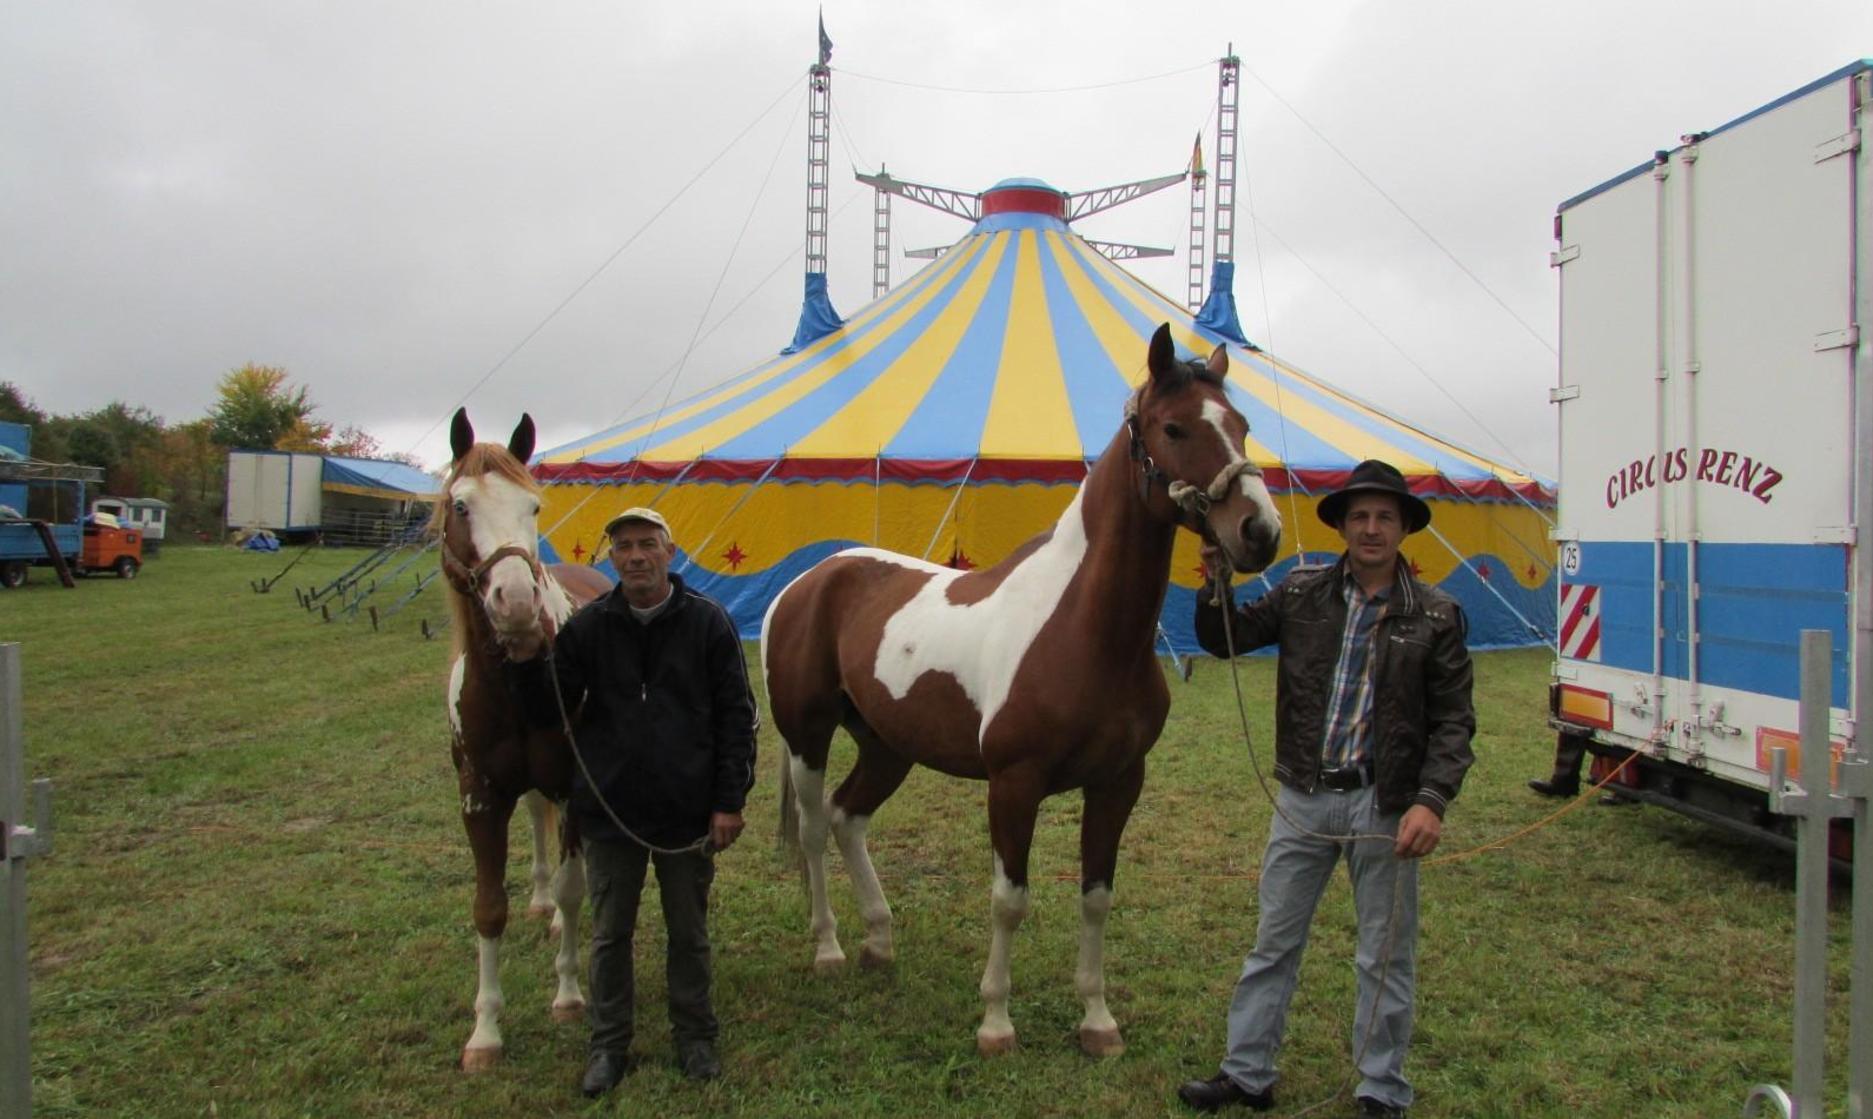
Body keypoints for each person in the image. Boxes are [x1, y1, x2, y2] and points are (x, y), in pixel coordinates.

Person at [1177, 460, 1476, 1119]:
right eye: (1359, 516)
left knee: (1384, 956)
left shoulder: (1435, 613)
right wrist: (1214, 581)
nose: (1371, 528)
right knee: (1272, 942)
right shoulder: (1301, 592)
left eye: (1384, 517)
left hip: (1385, 804)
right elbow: (1223, 639)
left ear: (1402, 528)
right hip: (1304, 800)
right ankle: (1247, 1073)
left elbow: (1454, 720)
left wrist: (1430, 799)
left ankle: (1380, 1090)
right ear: (1341, 525)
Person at [524, 506, 757, 1097]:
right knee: (609, 935)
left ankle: (695, 1036)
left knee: (689, 931)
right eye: (623, 546)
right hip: (611, 810)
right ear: (612, 559)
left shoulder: (709, 623)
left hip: (688, 808)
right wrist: (527, 656)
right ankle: (608, 1046)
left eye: (646, 544)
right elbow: (549, 710)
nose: (635, 556)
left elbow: (738, 719)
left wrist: (729, 802)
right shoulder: (589, 628)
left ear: (669, 552)